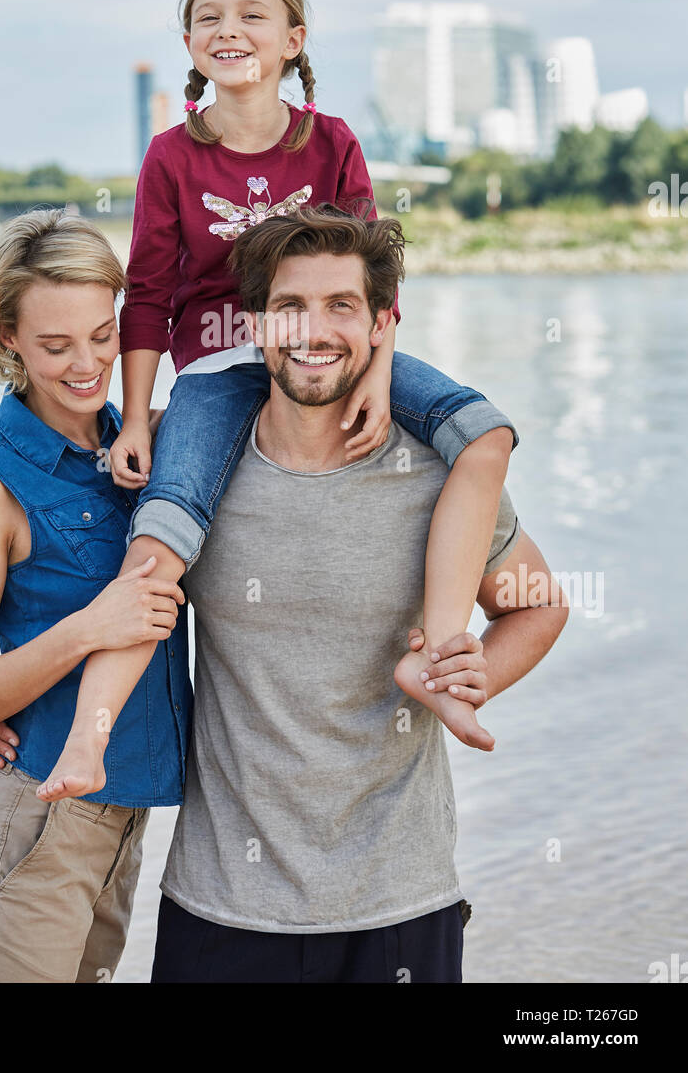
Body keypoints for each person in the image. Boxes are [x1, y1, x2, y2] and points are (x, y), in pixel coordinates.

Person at [37, 0, 519, 803]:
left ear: (295, 39)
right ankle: (89, 738)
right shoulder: (171, 157)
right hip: (223, 363)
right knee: (160, 540)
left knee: (484, 435)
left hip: (335, 343)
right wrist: (139, 416)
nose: (231, 30)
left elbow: (374, 271)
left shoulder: (331, 141)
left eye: (253, 14)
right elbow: (147, 293)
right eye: (210, 17)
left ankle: (440, 660)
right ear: (188, 43)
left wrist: (377, 366)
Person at [148, 205, 569, 984]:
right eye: (290, 307)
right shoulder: (192, 473)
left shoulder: (442, 477)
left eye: (341, 306)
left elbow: (538, 603)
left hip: (399, 907)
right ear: (255, 324)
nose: (314, 331)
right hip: (222, 904)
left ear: (382, 324)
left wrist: (481, 673)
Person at [0, 209, 189, 983]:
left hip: (117, 817)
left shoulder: (140, 445)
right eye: (54, 345)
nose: (87, 363)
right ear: (7, 337)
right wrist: (85, 630)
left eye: (103, 336)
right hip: (28, 816)